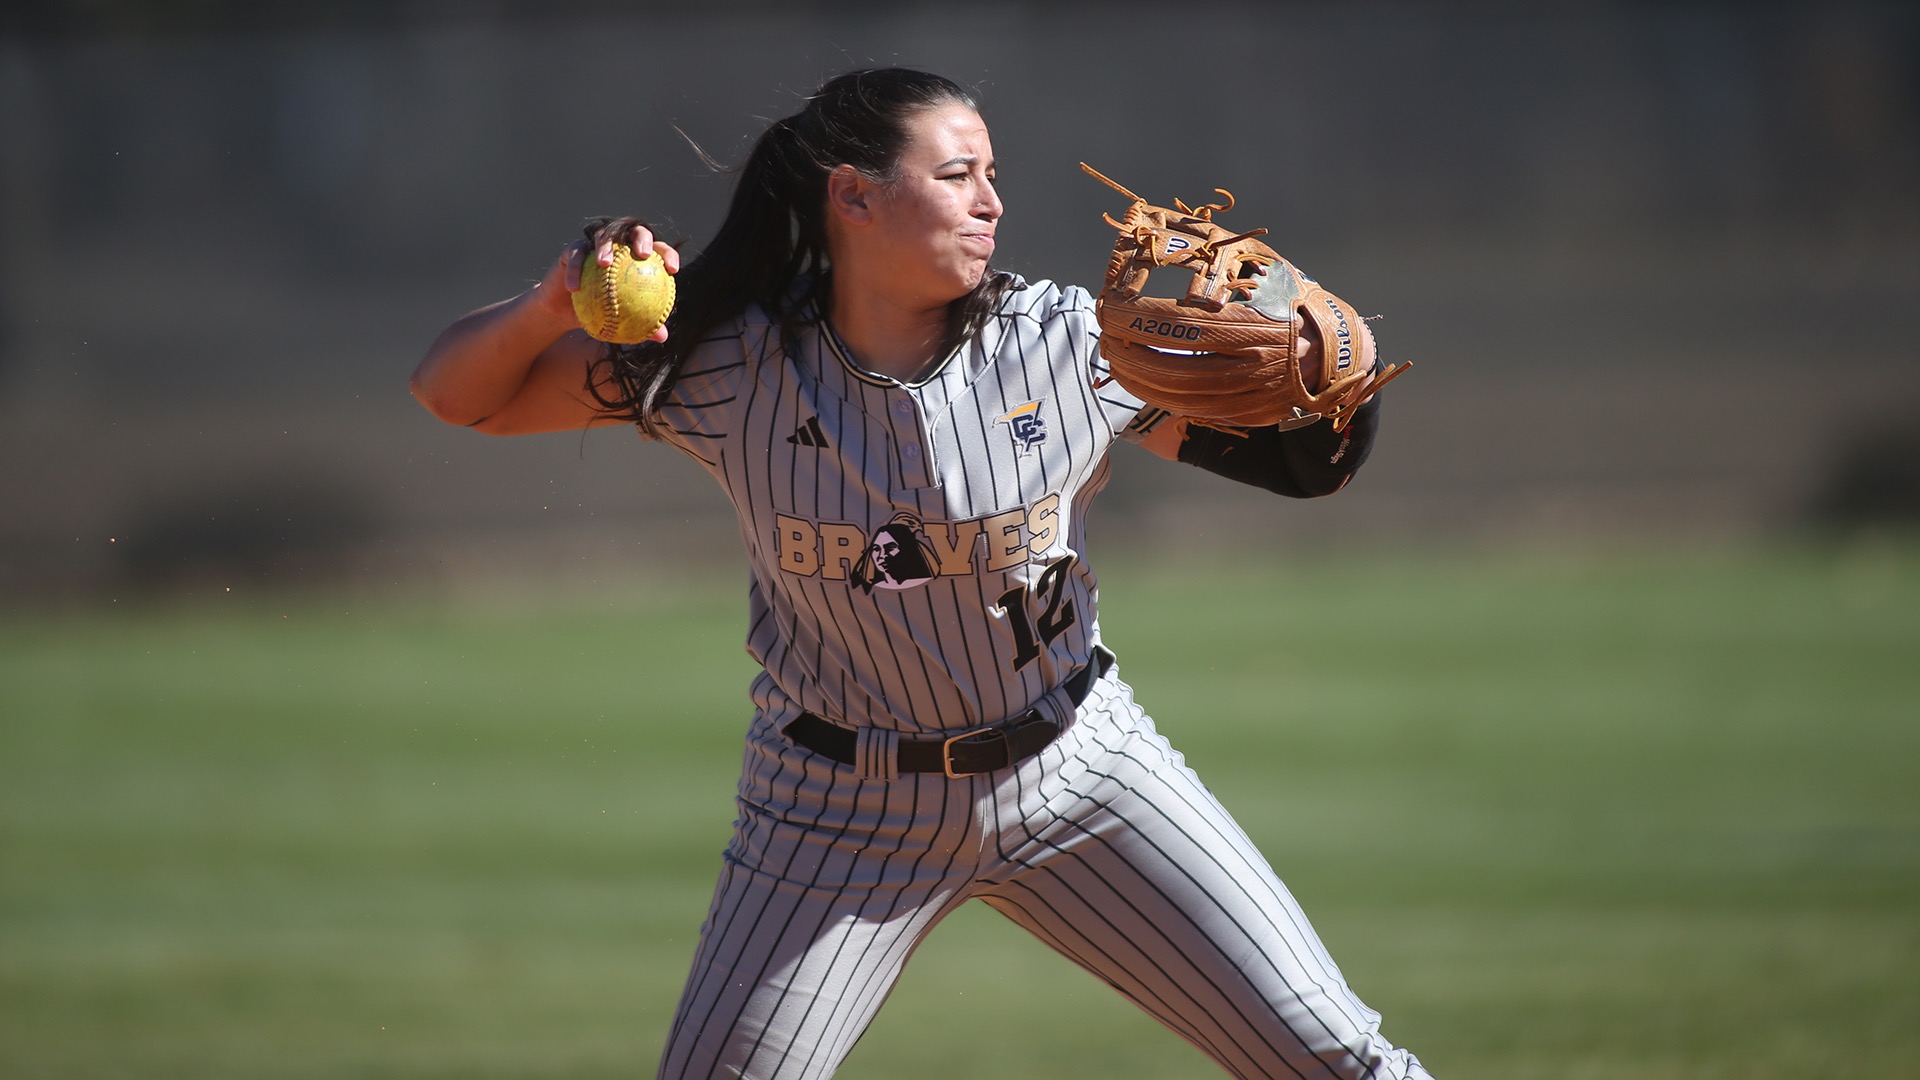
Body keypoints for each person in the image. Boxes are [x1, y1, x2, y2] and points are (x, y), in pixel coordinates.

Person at [412, 67, 1430, 1080]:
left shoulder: (1069, 347)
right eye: (957, 174)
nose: (993, 201)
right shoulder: (734, 367)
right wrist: (552, 303)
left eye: (992, 172)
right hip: (831, 813)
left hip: (1079, 773)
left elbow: (1306, 468)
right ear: (854, 196)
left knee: (1338, 1059)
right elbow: (463, 395)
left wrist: (1331, 366)